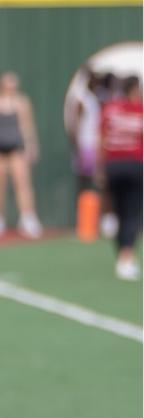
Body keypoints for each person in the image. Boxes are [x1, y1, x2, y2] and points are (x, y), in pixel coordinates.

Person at [0, 71, 42, 238]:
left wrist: (31, 145)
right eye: (8, 83)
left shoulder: (22, 102)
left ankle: (28, 218)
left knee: (22, 184)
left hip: (16, 147)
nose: (11, 86)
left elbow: (27, 126)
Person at [97, 75, 142, 280]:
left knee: (120, 213)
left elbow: (102, 140)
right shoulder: (139, 110)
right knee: (132, 214)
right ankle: (126, 257)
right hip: (134, 166)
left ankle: (122, 256)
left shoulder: (109, 109)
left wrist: (100, 168)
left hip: (113, 166)